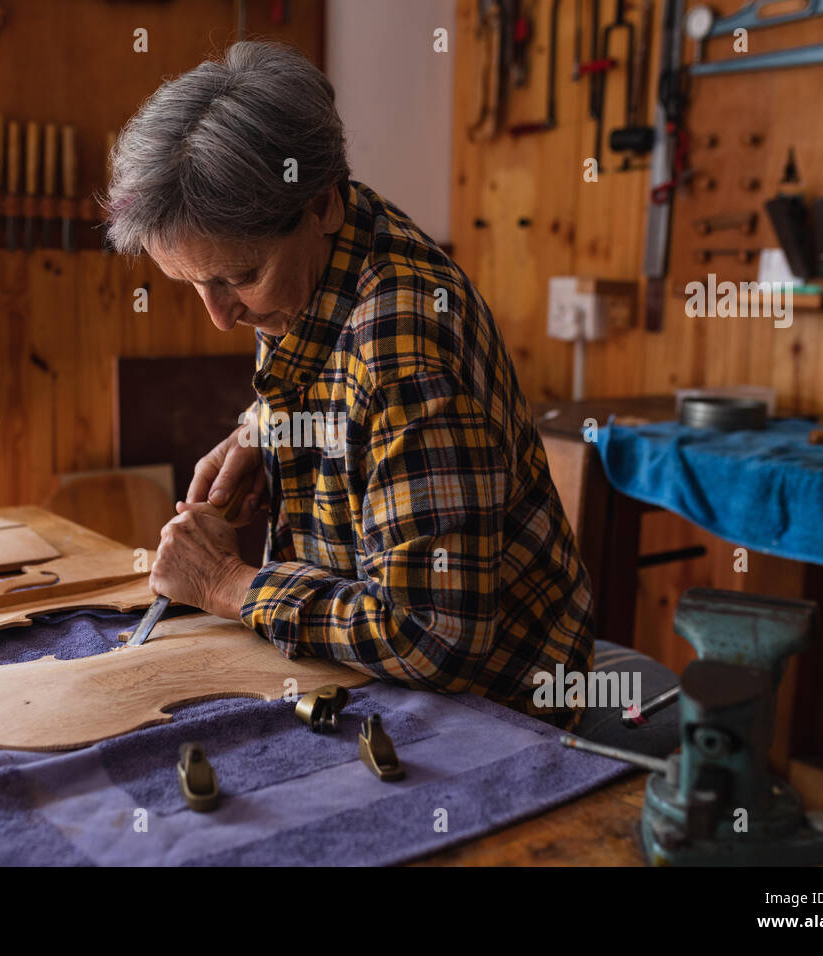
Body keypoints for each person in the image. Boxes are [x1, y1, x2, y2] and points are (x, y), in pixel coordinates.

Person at [103, 41, 594, 729]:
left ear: (321, 204)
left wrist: (226, 584)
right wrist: (266, 429)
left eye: (238, 279)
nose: (220, 318)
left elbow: (433, 639)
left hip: (497, 715)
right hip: (362, 680)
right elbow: (325, 362)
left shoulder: (407, 347)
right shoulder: (328, 244)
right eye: (192, 285)